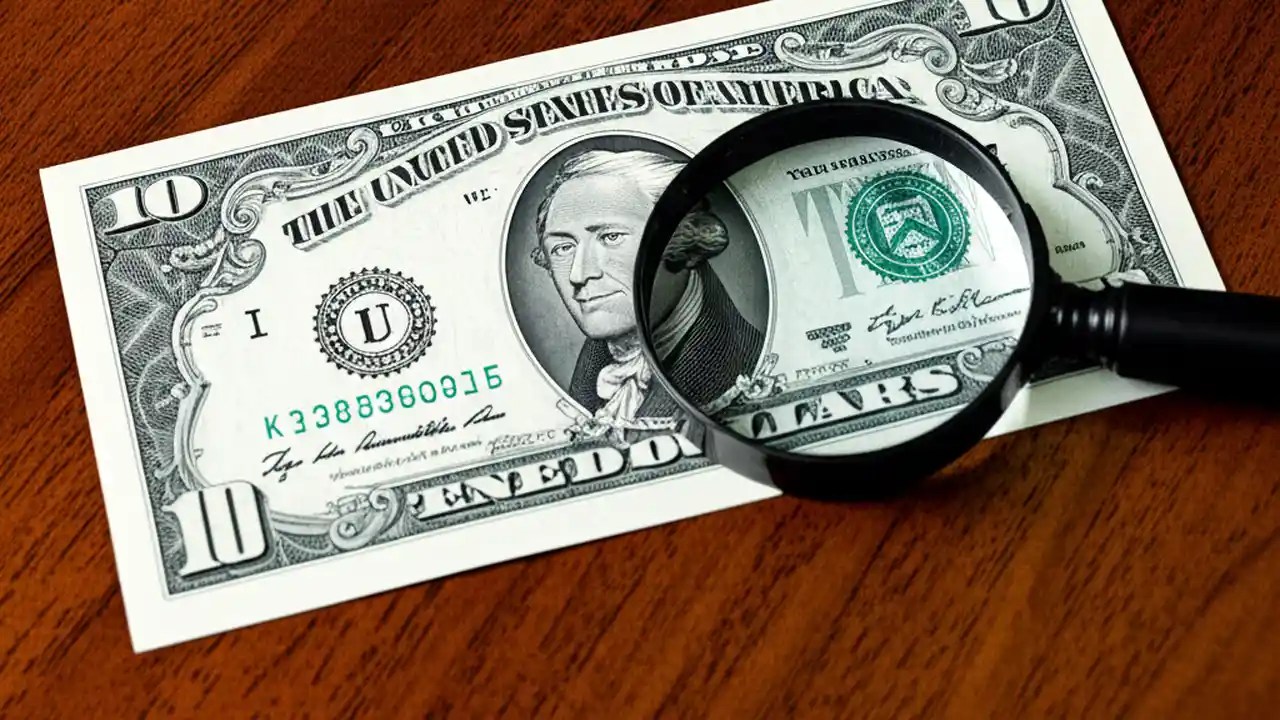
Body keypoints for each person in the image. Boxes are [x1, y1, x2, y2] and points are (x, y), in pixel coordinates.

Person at [531, 149, 763, 431]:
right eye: (563, 247)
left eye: (611, 237)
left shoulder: (747, 365)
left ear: (681, 237)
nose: (578, 274)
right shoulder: (587, 379)